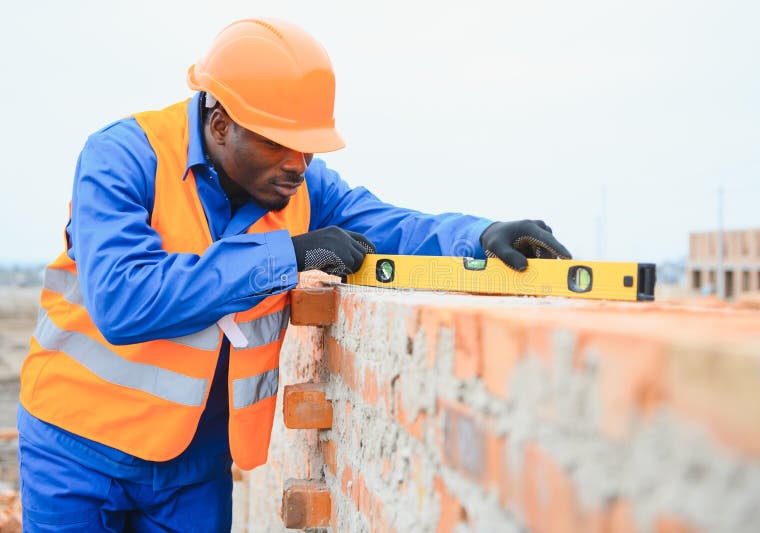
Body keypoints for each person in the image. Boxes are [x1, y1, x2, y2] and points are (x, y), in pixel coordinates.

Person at [17, 18, 571, 532]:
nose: (297, 164)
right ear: (219, 123)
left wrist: (478, 235)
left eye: (306, 146)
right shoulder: (122, 157)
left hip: (193, 463)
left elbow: (388, 224)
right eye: (278, 142)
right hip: (76, 450)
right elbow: (123, 300)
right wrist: (287, 257)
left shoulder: (301, 186)